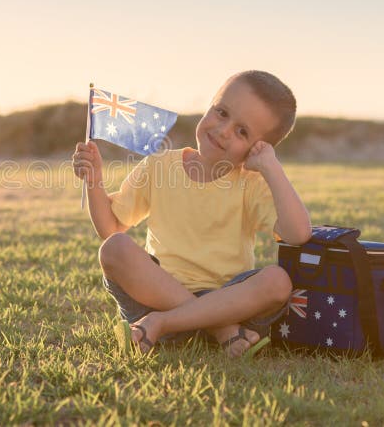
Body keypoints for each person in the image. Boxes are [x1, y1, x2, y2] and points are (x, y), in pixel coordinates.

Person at [72, 70, 312, 357]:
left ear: (257, 149)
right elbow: (111, 227)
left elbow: (298, 234)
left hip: (226, 299)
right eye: (221, 112)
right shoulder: (160, 166)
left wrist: (271, 168)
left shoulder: (251, 184)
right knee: (114, 248)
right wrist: (94, 179)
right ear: (210, 104)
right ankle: (220, 332)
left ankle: (165, 324)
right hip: (159, 295)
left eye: (242, 132)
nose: (223, 130)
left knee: (278, 281)